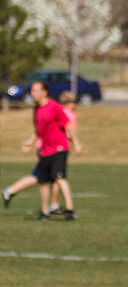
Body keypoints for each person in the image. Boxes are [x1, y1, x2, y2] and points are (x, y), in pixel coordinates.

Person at [24, 82, 81, 220]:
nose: (33, 94)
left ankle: (69, 210)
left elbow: (67, 125)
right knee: (43, 182)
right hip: (45, 150)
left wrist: (76, 143)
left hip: (59, 148)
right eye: (32, 91)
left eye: (35, 91)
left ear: (44, 92)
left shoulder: (54, 106)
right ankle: (45, 212)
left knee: (60, 177)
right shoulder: (36, 109)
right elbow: (39, 129)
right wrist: (30, 142)